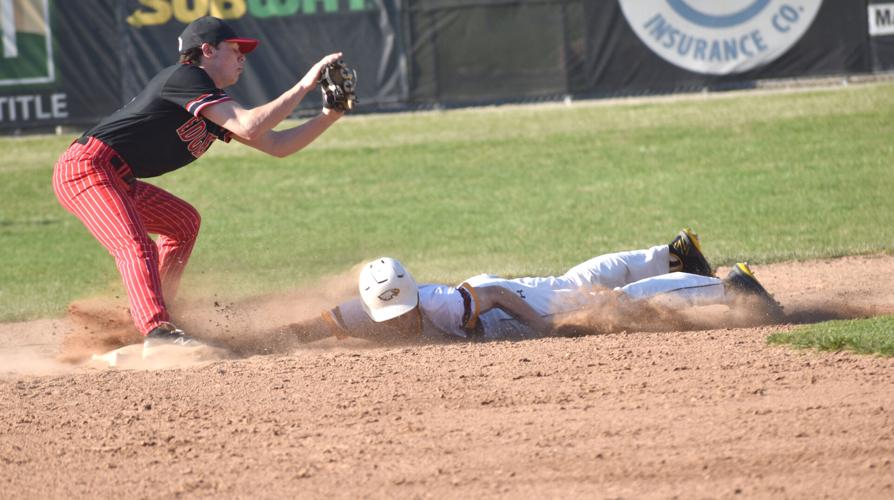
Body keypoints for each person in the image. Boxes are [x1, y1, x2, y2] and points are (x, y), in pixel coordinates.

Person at [52, 16, 346, 355]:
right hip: (86, 168)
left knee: (182, 222)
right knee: (136, 245)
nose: (242, 57)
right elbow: (249, 125)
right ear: (207, 50)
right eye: (234, 49)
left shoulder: (209, 100)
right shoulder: (186, 77)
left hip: (118, 178)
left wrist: (330, 114)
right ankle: (157, 332)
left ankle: (153, 315)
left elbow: (277, 145)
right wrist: (305, 84)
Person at [277, 229, 784, 343]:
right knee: (575, 280)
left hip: (511, 304)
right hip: (497, 294)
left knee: (604, 303)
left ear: (413, 298)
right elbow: (318, 325)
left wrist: (543, 327)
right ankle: (671, 255)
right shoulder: (366, 309)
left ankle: (731, 288)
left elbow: (496, 294)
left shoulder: (440, 306)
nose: (400, 321)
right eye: (390, 316)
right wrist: (264, 339)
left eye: (403, 311)